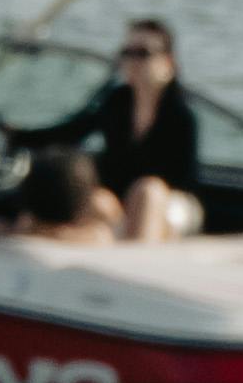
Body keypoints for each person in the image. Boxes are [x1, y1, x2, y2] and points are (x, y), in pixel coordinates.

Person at [33, 17, 205, 235]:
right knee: (97, 200)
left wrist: (137, 198)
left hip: (174, 202)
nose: (133, 60)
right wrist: (17, 136)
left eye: (143, 53)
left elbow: (183, 179)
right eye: (127, 52)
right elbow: (73, 131)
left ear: (168, 63)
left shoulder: (181, 116)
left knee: (148, 191)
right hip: (125, 199)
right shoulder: (117, 102)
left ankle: (140, 260)